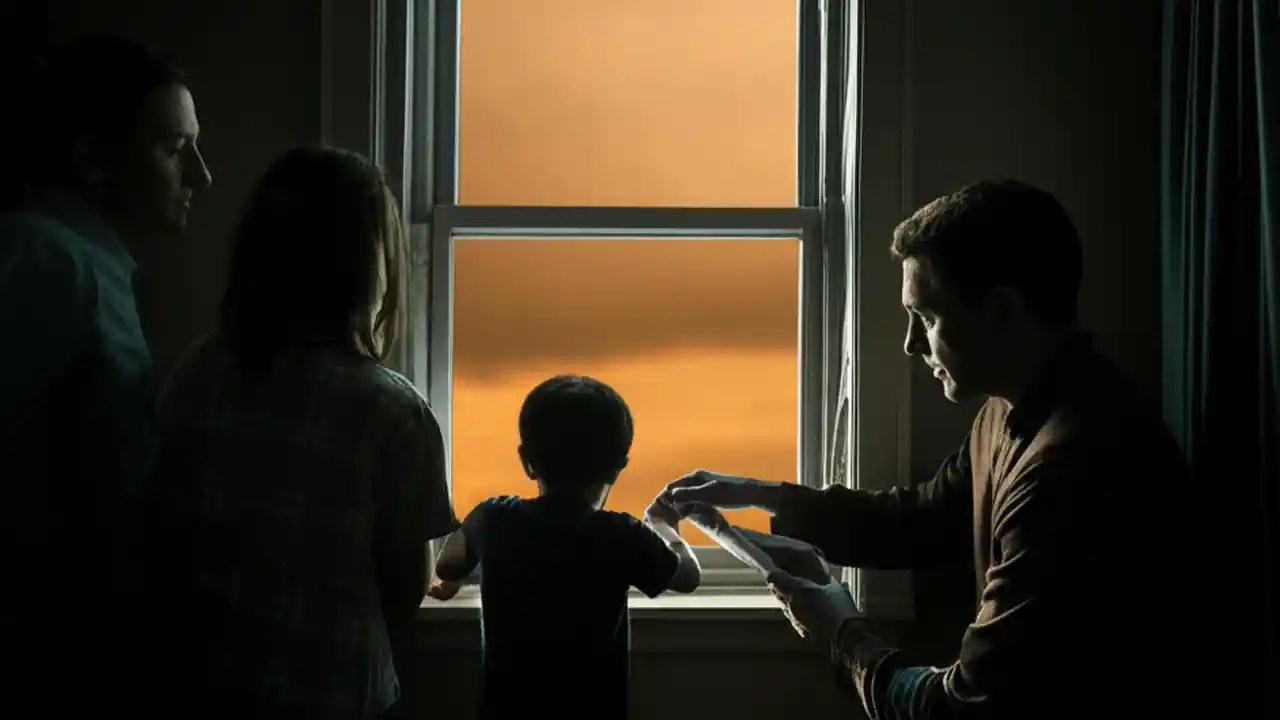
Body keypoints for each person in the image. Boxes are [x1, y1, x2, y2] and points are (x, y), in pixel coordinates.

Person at [663, 179, 1198, 719]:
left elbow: (960, 707)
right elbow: (920, 519)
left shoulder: (1071, 471)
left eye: (927, 317)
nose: (910, 344)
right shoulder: (1007, 410)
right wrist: (764, 496)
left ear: (1003, 311)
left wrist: (842, 633)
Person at [148, 145, 456, 719]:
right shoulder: (392, 411)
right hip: (333, 686)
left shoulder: (200, 370)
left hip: (205, 680)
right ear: (370, 267)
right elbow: (405, 585)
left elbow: (167, 528)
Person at [0, 34, 211, 707]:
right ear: (95, 160)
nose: (201, 176)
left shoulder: (89, 266)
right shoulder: (44, 261)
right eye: (175, 150)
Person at [428, 374, 701, 719]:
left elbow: (446, 566)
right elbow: (688, 576)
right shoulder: (620, 534)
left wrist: (457, 574)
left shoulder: (494, 516)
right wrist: (664, 526)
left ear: (526, 460)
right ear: (618, 469)